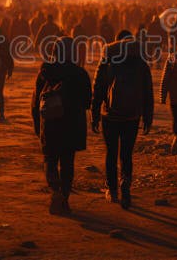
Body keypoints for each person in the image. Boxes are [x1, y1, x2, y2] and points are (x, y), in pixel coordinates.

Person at [91, 30, 154, 209]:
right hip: (132, 116)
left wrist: (94, 114)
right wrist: (148, 117)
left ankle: (112, 189)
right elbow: (147, 93)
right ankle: (125, 187)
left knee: (111, 153)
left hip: (109, 115)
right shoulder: (141, 63)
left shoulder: (108, 59)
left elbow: (98, 88)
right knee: (126, 155)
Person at [31, 37, 92, 215]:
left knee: (49, 160)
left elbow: (35, 102)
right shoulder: (80, 74)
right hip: (71, 126)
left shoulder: (45, 72)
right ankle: (64, 197)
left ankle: (55, 191)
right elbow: (87, 102)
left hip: (49, 125)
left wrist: (37, 124)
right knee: (67, 163)